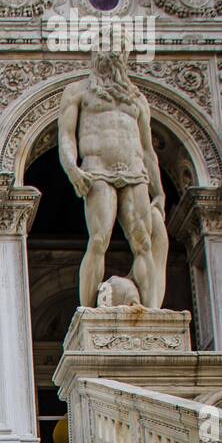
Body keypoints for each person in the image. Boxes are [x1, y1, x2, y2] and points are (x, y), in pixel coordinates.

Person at [58, 50, 168, 309]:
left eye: (117, 46)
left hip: (134, 171)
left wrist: (159, 191)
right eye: (106, 45)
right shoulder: (78, 91)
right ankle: (86, 314)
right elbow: (66, 135)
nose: (112, 50)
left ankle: (151, 313)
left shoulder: (137, 98)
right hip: (97, 169)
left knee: (143, 243)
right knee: (98, 240)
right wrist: (71, 167)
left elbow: (148, 149)